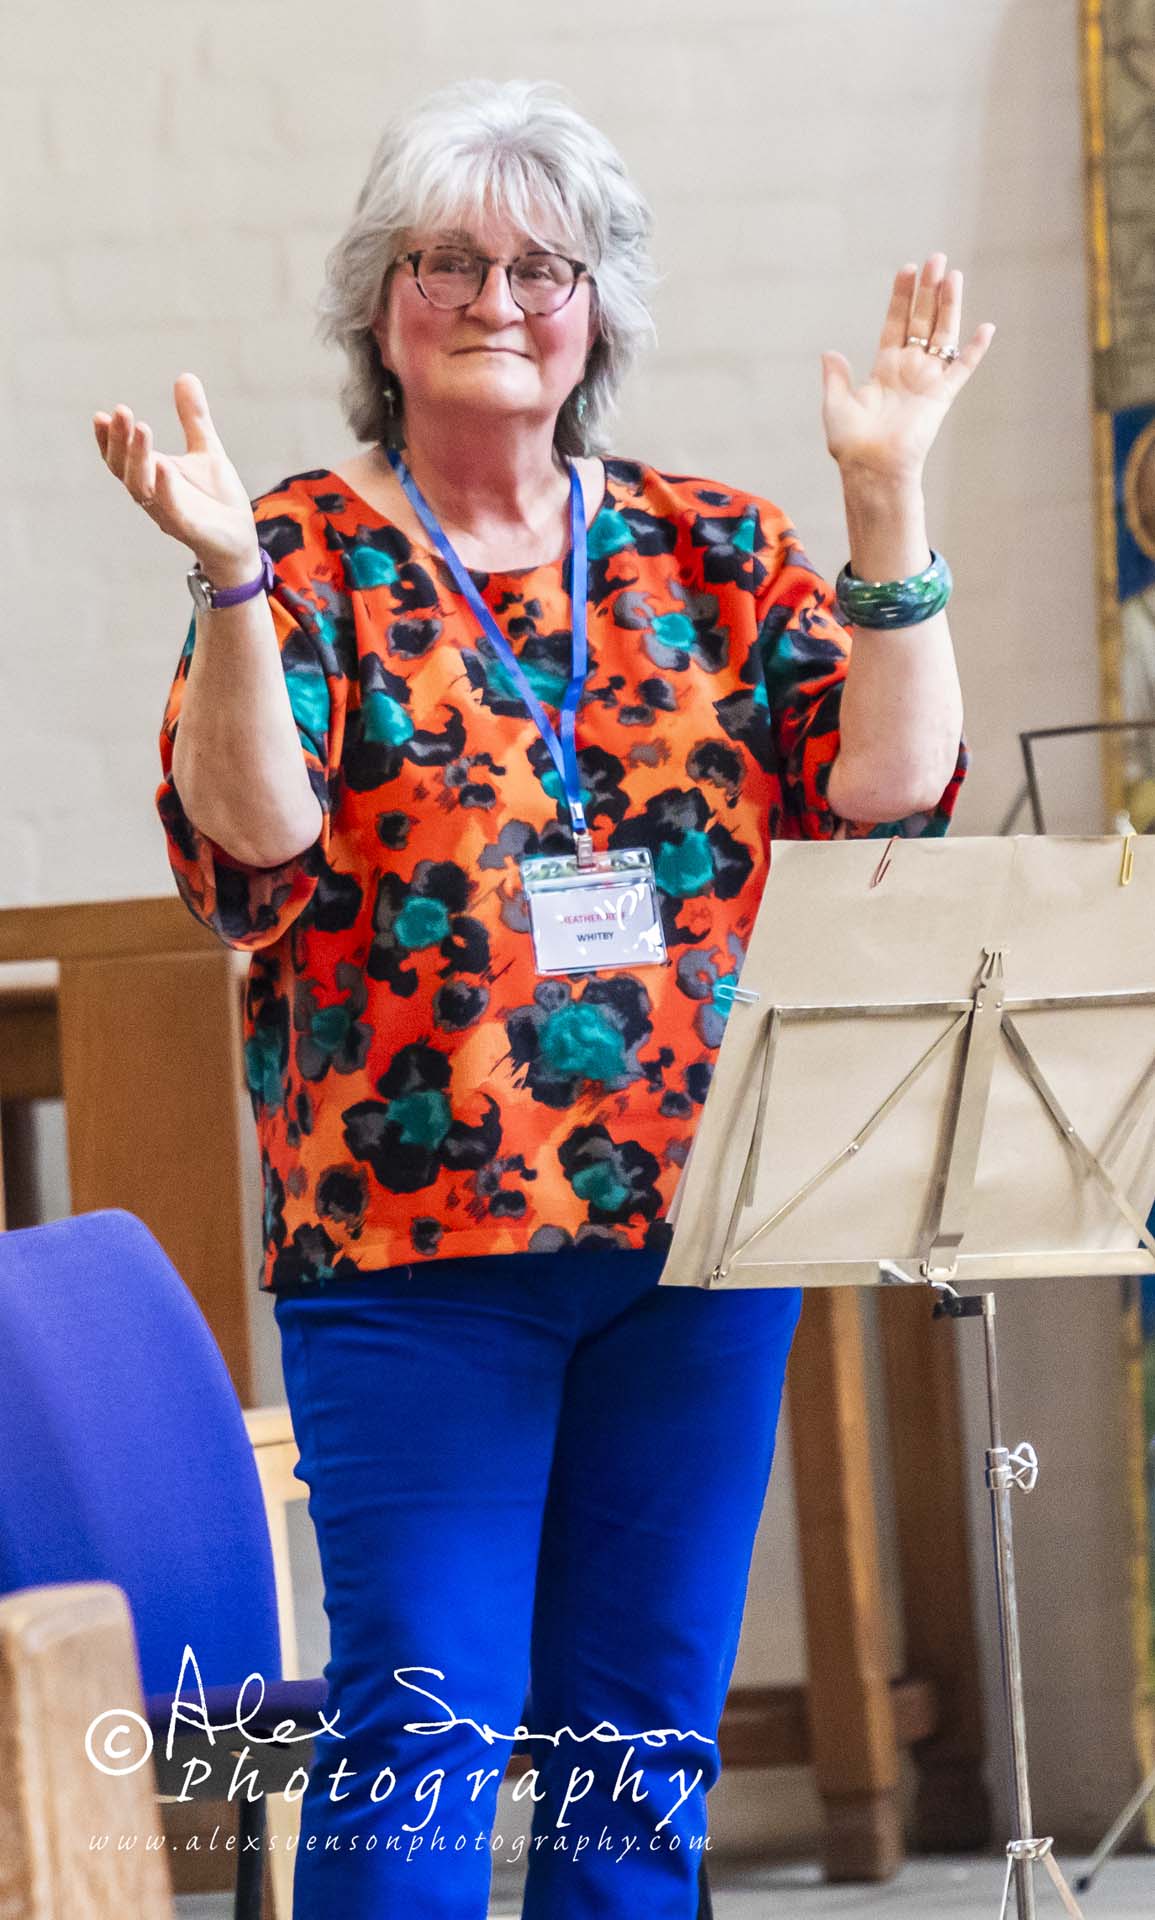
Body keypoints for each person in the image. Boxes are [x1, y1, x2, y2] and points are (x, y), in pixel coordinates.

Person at [94, 76, 989, 1920]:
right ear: (377, 303)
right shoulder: (305, 554)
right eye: (446, 262)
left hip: (701, 1246)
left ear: (598, 309)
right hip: (415, 1259)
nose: (497, 297)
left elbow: (892, 785)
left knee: (637, 1747)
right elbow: (250, 855)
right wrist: (232, 586)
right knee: (417, 1735)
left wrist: (887, 497)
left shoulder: (715, 549)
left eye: (541, 265)